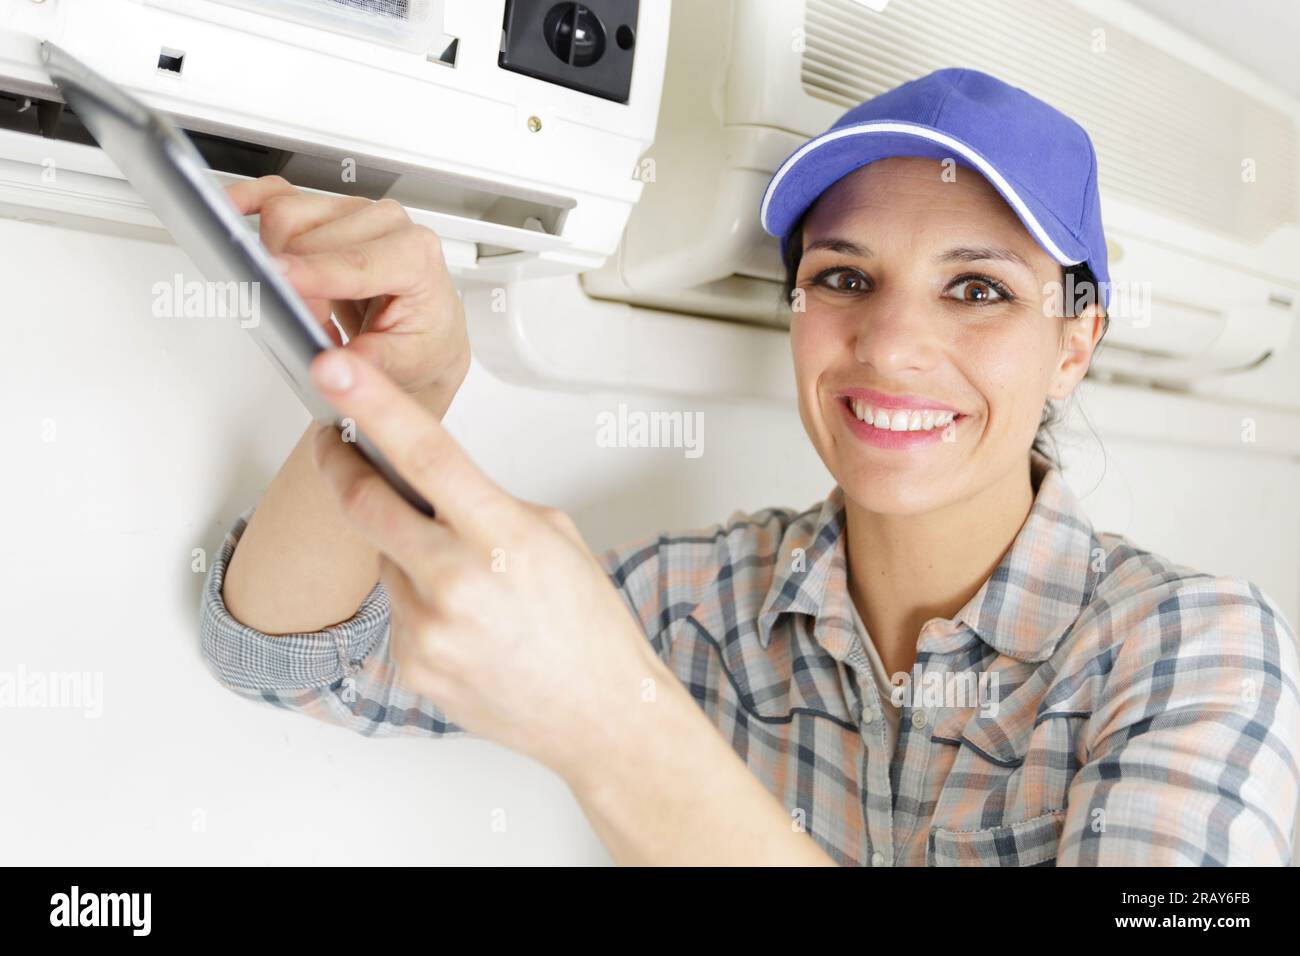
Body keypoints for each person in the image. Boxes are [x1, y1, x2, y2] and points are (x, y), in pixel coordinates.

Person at [200, 68, 1300, 866]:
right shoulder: (704, 603)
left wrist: (612, 726)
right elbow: (284, 657)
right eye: (843, 277)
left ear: (1075, 341)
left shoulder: (1192, 652)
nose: (890, 345)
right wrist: (393, 392)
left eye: (977, 289)